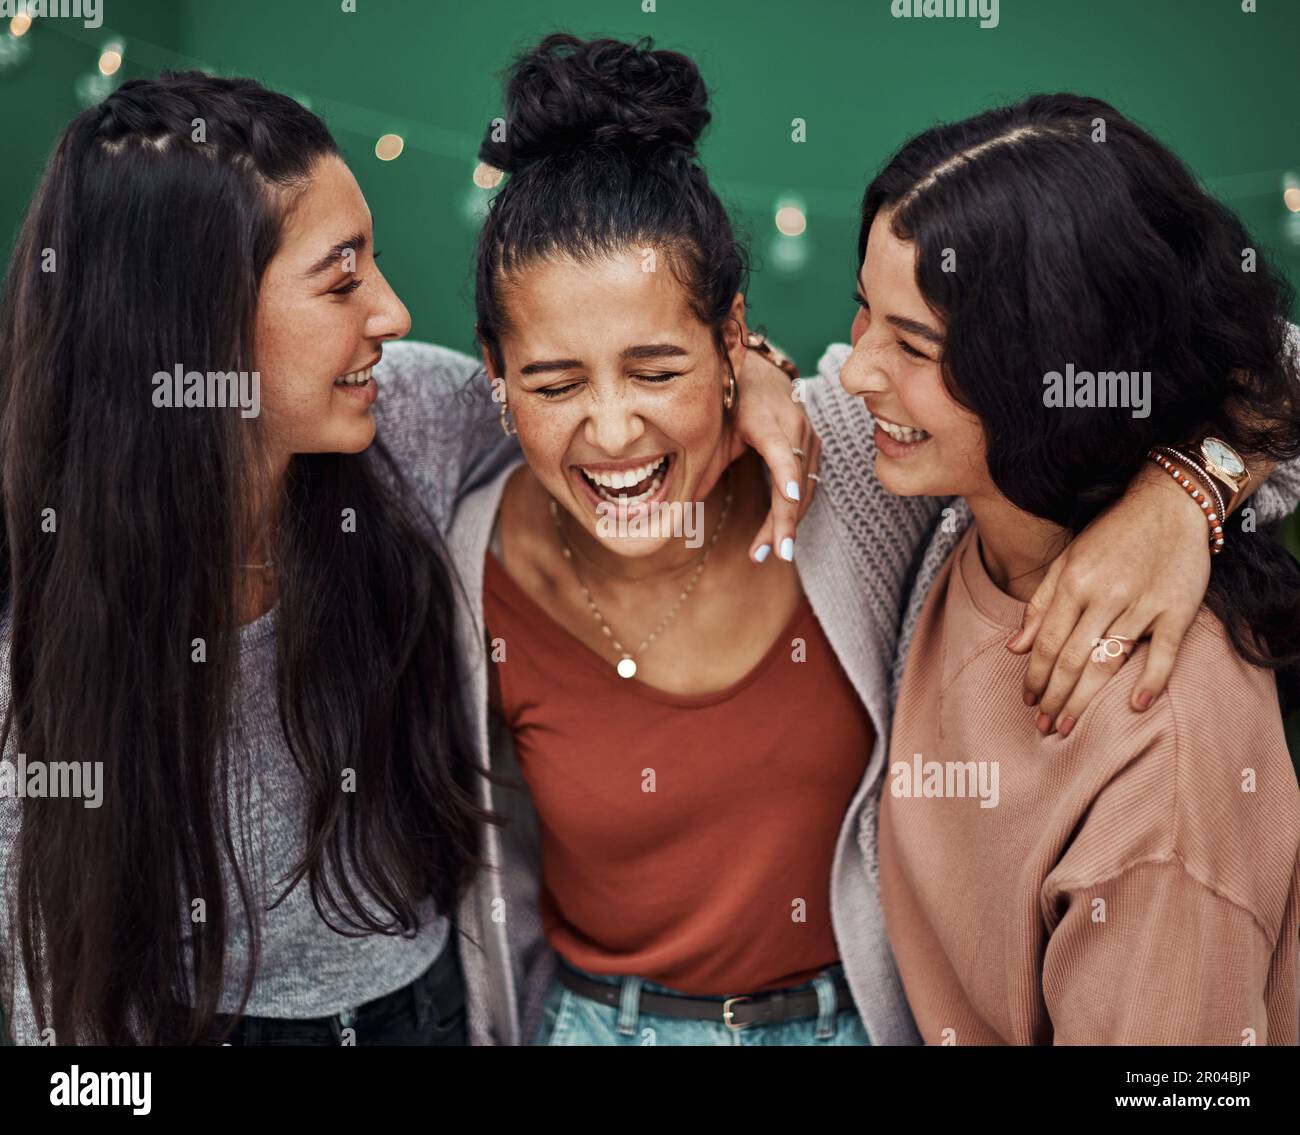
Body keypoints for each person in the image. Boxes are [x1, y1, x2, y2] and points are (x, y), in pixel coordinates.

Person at [444, 35, 1300, 1045]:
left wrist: (1185, 490)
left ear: (730, 335)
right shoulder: (468, 541)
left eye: (658, 369)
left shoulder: (862, 469)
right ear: (493, 372)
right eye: (552, 384)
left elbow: (1241, 351)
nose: (615, 429)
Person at [843, 93, 1300, 1043]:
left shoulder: (1158, 751)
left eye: (914, 346)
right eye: (863, 313)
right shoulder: (948, 506)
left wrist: (1191, 484)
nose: (855, 371)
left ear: (1049, 363)